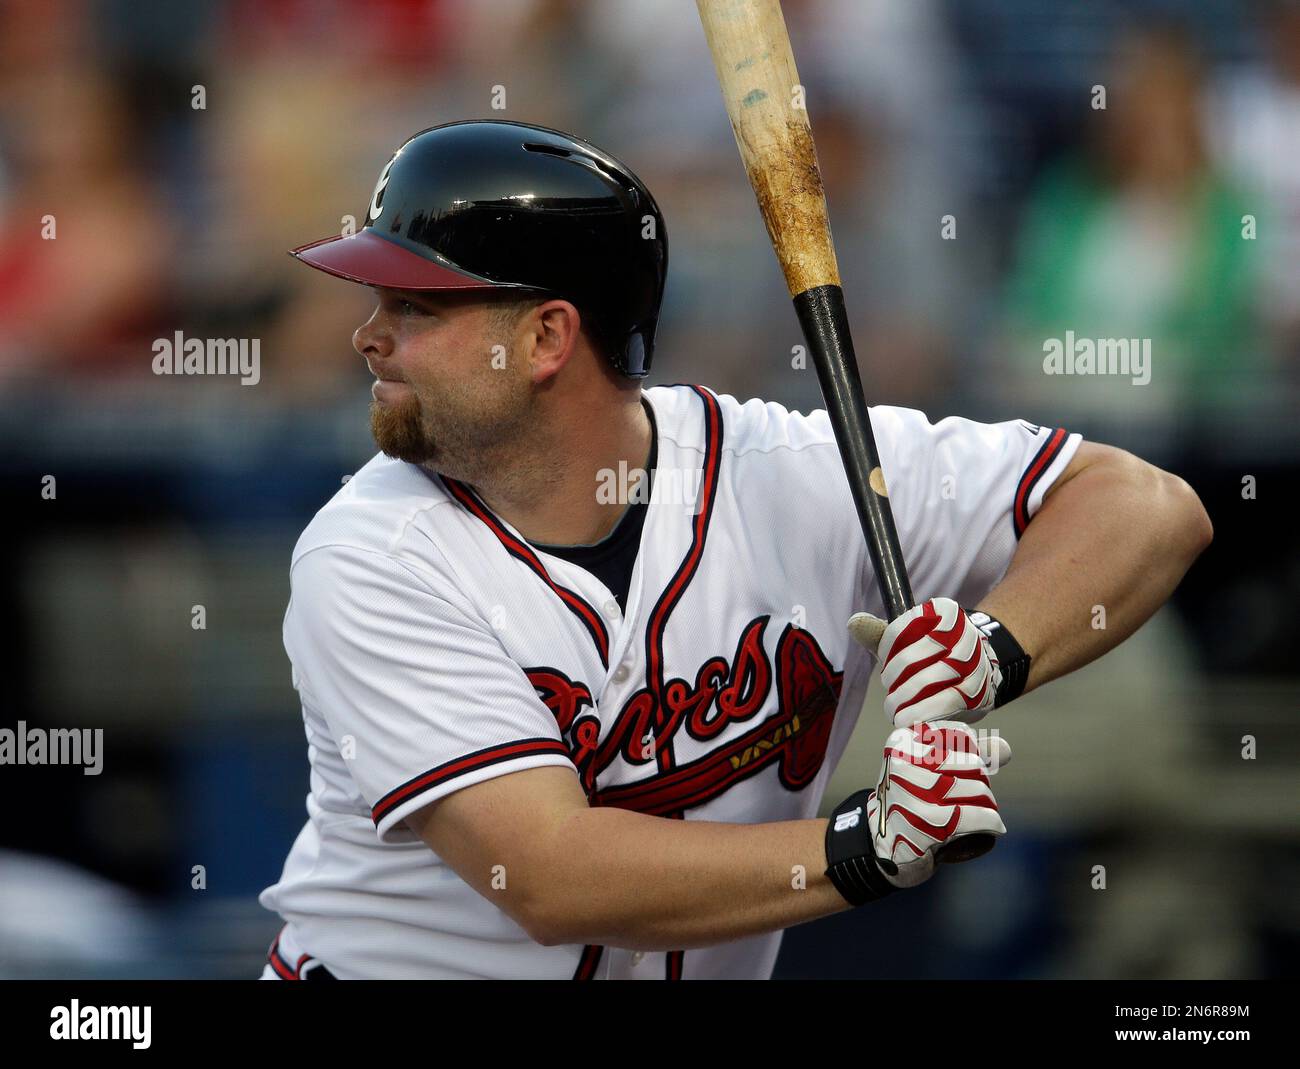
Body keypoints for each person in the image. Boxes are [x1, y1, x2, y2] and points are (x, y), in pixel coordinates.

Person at [258, 120, 1211, 980]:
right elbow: (548, 874)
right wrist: (865, 843)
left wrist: (991, 649)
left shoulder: (786, 474)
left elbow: (1147, 504)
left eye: (415, 307)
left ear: (547, 336)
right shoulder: (371, 554)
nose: (368, 336)